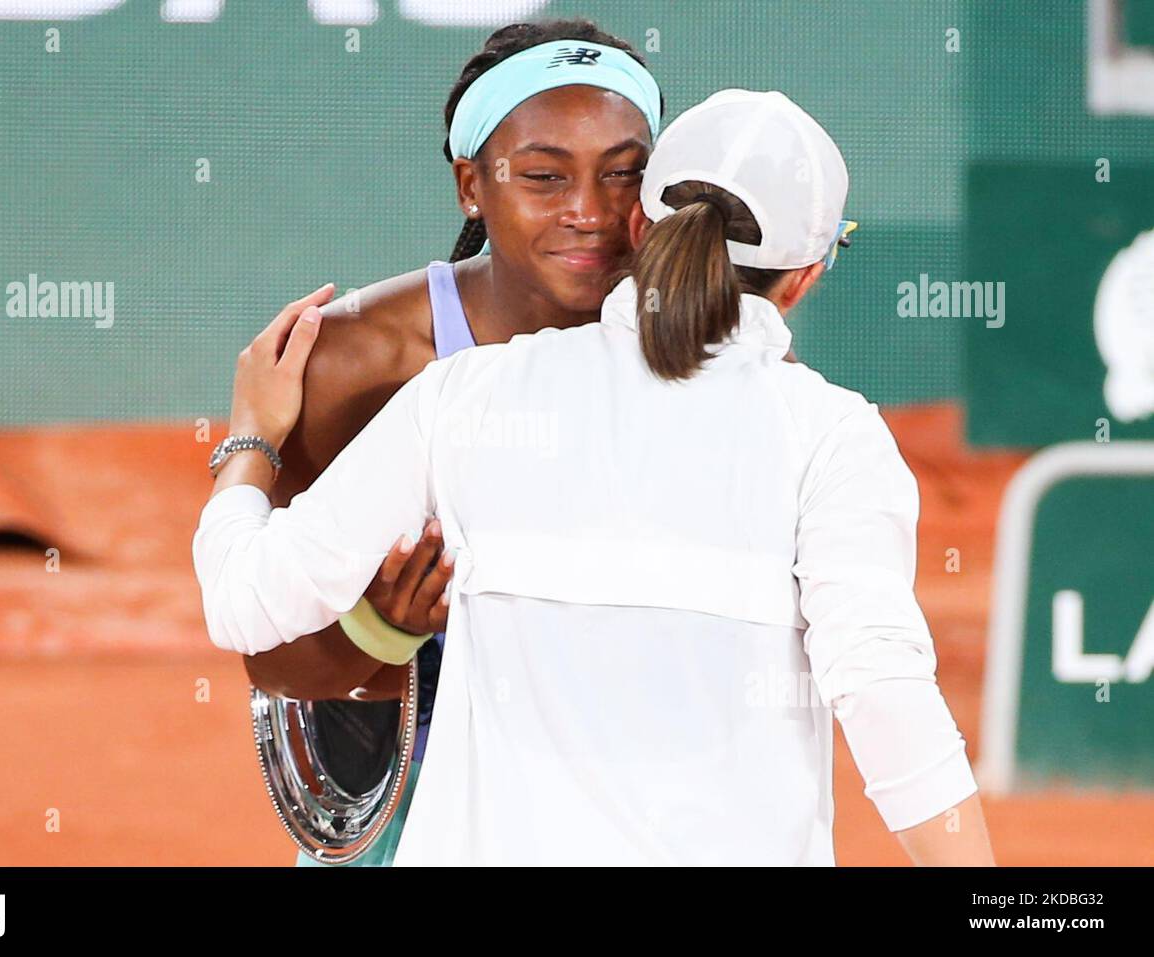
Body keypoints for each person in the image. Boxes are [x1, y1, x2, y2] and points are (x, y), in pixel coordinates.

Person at [194, 89, 996, 866]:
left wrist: (251, 441)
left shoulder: (466, 395)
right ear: (807, 274)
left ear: (639, 222)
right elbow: (884, 690)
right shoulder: (834, 436)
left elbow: (246, 602)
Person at [241, 19, 664, 866]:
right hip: (423, 817)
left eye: (625, 177)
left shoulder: (704, 346)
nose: (591, 212)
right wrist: (382, 631)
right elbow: (277, 664)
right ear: (472, 185)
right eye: (544, 177)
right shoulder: (363, 359)